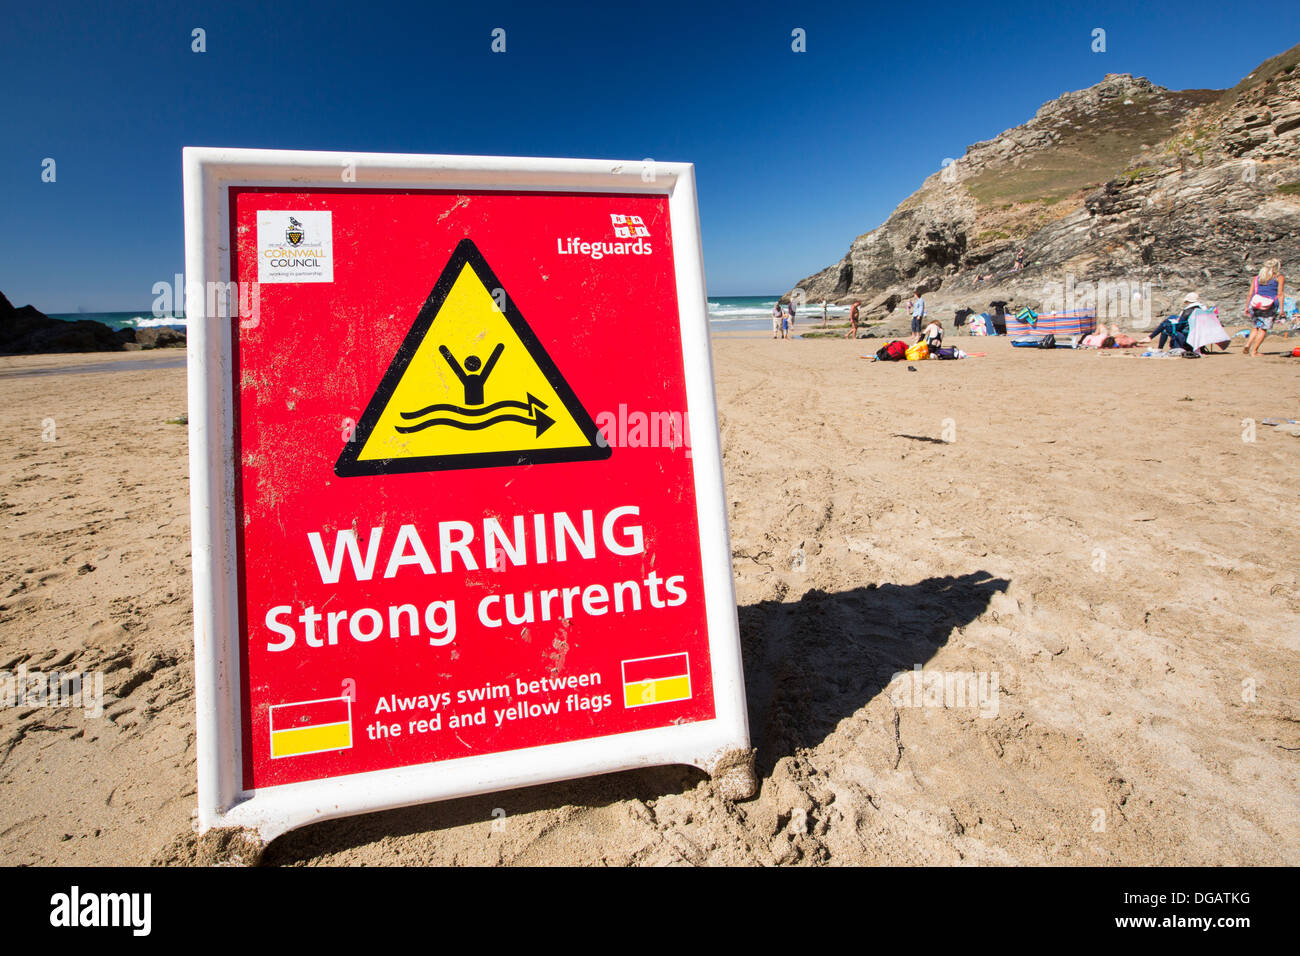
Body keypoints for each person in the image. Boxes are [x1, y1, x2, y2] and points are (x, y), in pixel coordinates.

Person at [1244, 259, 1284, 357]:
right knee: (1263, 329)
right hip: (1268, 305)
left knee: (1255, 326)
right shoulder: (1279, 277)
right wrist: (1282, 309)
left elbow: (1250, 294)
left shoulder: (1257, 278)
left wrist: (1247, 306)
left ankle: (1247, 344)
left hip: (1255, 303)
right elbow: (1280, 294)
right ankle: (1254, 351)